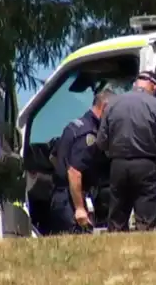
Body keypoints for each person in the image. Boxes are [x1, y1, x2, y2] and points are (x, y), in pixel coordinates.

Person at [96, 71, 156, 232]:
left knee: (117, 218)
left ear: (135, 84)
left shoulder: (112, 104)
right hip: (146, 166)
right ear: (154, 86)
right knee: (146, 219)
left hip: (118, 166)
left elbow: (101, 142)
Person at [49, 90, 114, 235]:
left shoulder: (75, 125)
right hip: (71, 200)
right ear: (104, 108)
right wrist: (79, 207)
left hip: (62, 195)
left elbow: (53, 157)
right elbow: (74, 172)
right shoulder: (89, 134)